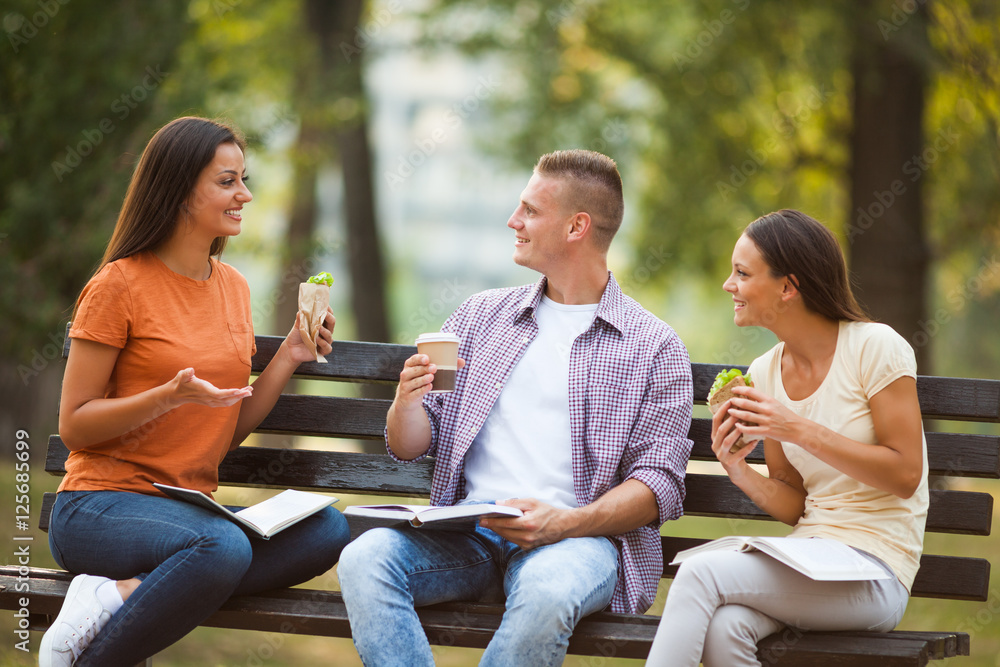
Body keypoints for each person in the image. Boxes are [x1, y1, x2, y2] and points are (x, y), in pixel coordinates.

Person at [337, 149, 694, 666]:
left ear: (576, 227)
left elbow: (658, 486)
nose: (513, 220)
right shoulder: (482, 316)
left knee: (548, 594)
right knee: (364, 558)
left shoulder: (652, 346)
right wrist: (406, 404)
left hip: (576, 542)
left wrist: (563, 524)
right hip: (466, 533)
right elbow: (412, 443)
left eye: (529, 210)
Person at [39, 116, 351, 667]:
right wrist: (166, 396)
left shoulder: (232, 287)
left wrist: (290, 356)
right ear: (181, 190)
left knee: (327, 528)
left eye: (243, 180)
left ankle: (120, 596)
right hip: (99, 507)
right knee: (220, 548)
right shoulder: (118, 284)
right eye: (227, 182)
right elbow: (75, 424)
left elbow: (224, 430)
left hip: (189, 512)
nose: (245, 195)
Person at [645, 209, 929, 666]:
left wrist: (797, 428)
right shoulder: (765, 373)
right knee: (725, 627)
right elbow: (795, 504)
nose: (728, 285)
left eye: (741, 273)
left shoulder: (876, 347)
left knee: (699, 573)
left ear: (787, 287)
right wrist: (739, 470)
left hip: (876, 570)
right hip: (809, 556)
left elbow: (906, 475)